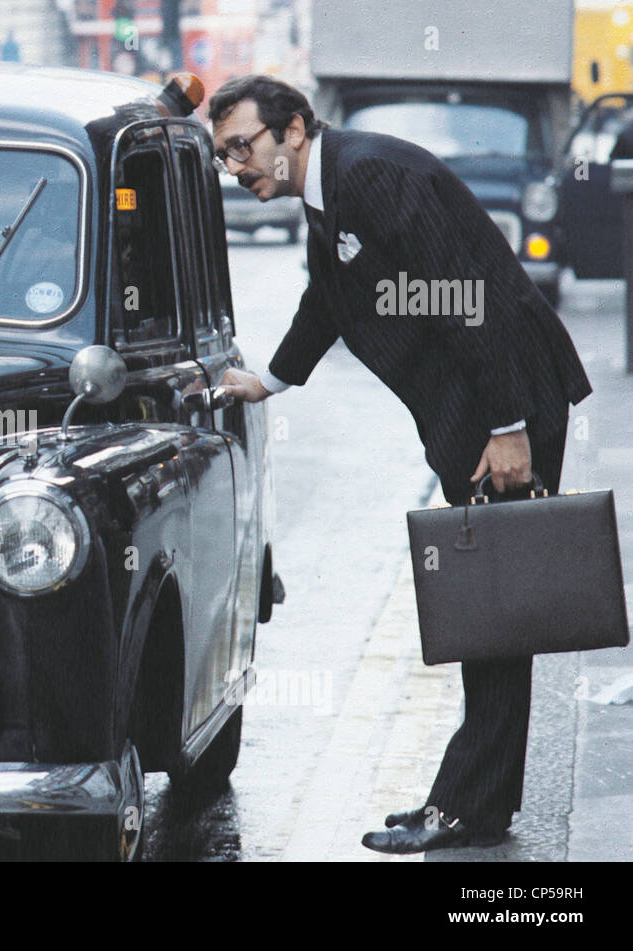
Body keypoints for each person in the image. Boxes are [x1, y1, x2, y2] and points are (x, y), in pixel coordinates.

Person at [206, 75, 592, 853]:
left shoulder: (371, 176)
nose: (235, 167)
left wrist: (509, 425)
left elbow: (464, 296)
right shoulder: (331, 190)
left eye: (242, 147)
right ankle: (472, 800)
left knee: (489, 607)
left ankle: (467, 808)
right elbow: (331, 297)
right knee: (489, 606)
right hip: (477, 406)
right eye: (222, 156)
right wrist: (270, 380)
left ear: (292, 130)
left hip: (502, 398)